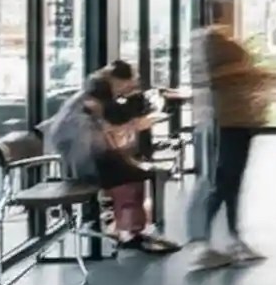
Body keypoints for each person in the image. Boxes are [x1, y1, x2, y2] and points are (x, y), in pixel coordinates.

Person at [188, 0, 276, 270]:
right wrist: (257, 74)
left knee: (229, 182)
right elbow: (234, 75)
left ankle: (231, 237)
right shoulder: (215, 42)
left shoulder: (207, 42)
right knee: (224, 181)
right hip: (229, 121)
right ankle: (205, 242)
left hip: (230, 121)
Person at [40, 73, 176, 253]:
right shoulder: (79, 119)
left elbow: (103, 142)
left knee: (133, 172)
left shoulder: (79, 106)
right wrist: (124, 131)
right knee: (133, 175)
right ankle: (130, 232)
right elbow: (95, 148)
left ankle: (132, 230)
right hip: (84, 167)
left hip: (86, 162)